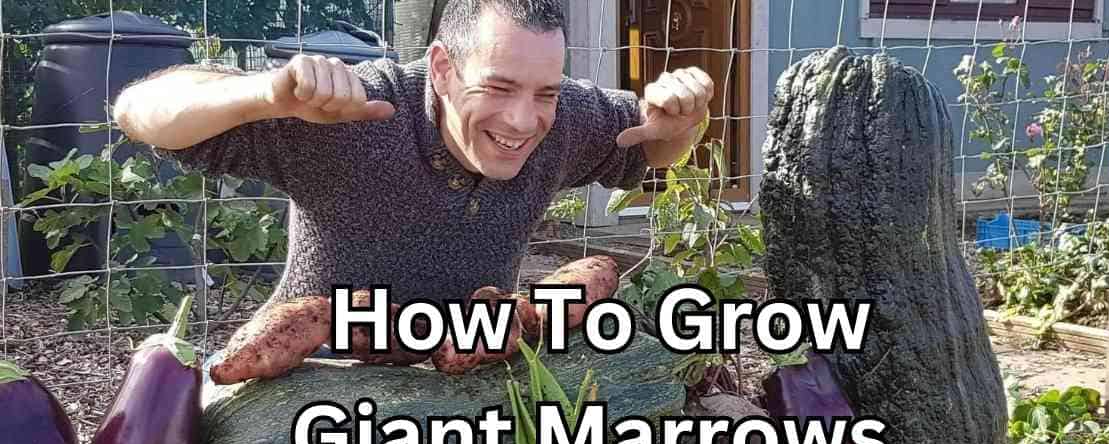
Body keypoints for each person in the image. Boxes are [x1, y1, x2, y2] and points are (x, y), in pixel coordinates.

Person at [113, 0, 715, 310]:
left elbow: (651, 149)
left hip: (462, 381)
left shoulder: (566, 118)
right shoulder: (349, 114)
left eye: (545, 92)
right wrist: (264, 94)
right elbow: (139, 112)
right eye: (497, 88)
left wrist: (681, 124)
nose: (522, 119)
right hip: (310, 385)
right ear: (443, 69)